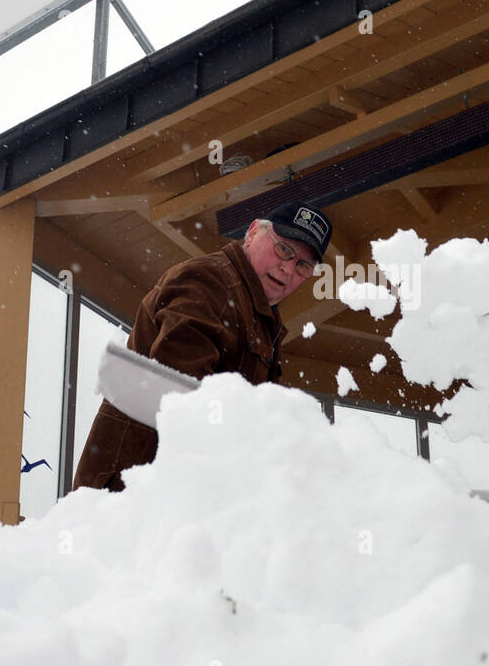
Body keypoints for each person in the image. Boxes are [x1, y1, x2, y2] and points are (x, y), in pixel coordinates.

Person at [72, 202, 332, 492]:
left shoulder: (262, 315)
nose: (287, 268)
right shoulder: (209, 283)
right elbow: (179, 397)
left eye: (303, 266)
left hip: (176, 496)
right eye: (284, 249)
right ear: (252, 232)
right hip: (132, 494)